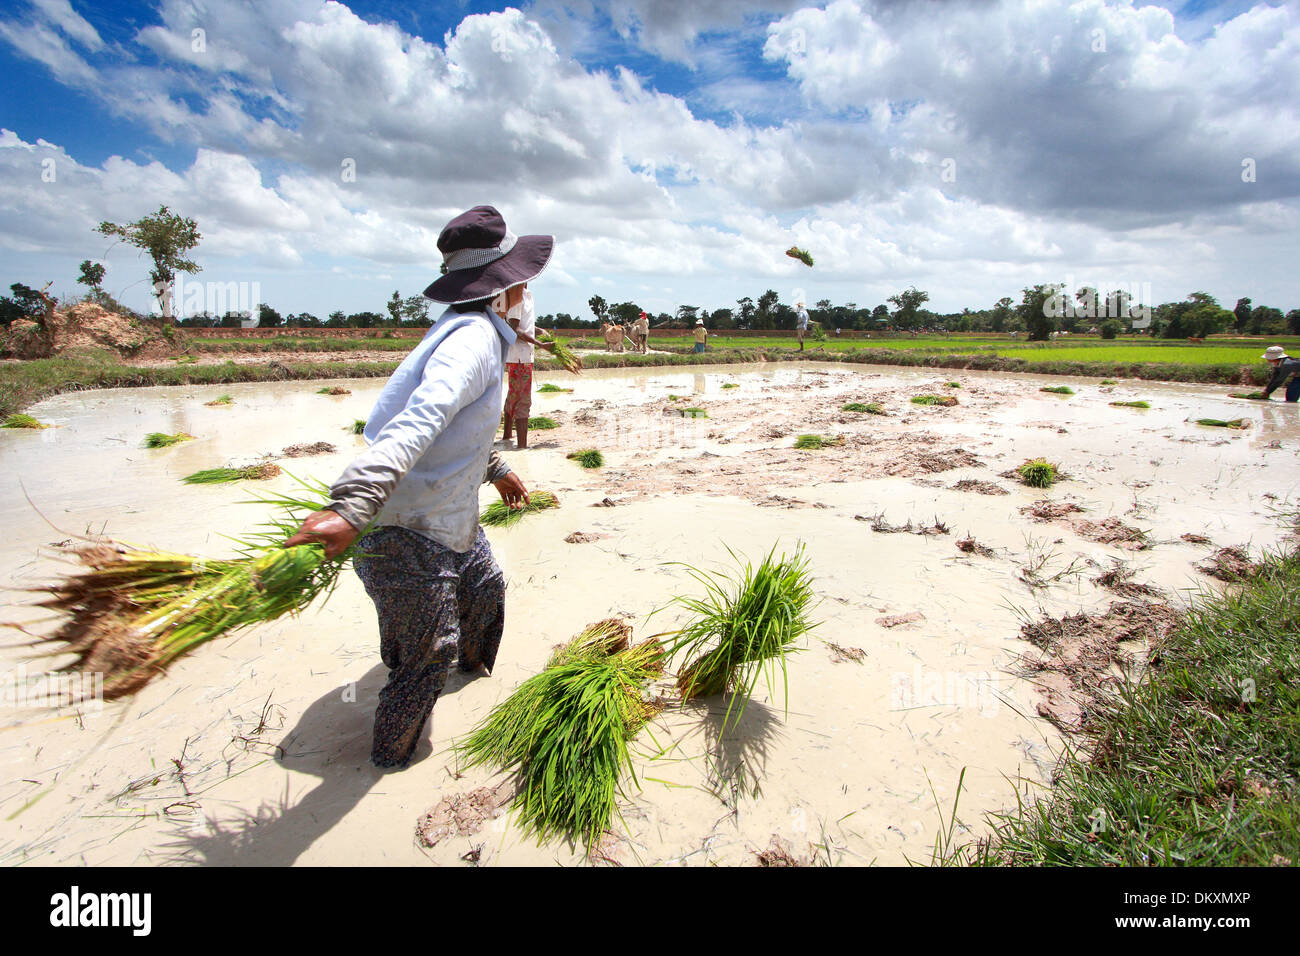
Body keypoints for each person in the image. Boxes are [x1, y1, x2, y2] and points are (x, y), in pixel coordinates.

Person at [283, 205, 552, 769]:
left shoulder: (476, 335)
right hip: (404, 529)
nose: (529, 295)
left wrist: (496, 469)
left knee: (484, 587)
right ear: (501, 292)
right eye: (524, 284)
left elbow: (456, 428)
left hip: (445, 516)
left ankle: (468, 680)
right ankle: (386, 764)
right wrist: (353, 506)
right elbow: (419, 421)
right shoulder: (473, 340)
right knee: (424, 659)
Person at [498, 282, 537, 448]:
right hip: (519, 356)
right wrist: (540, 344)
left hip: (522, 355)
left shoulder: (526, 294)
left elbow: (523, 326)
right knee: (523, 399)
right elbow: (513, 328)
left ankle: (507, 436)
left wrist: (539, 331)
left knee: (514, 394)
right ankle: (522, 447)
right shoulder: (515, 296)